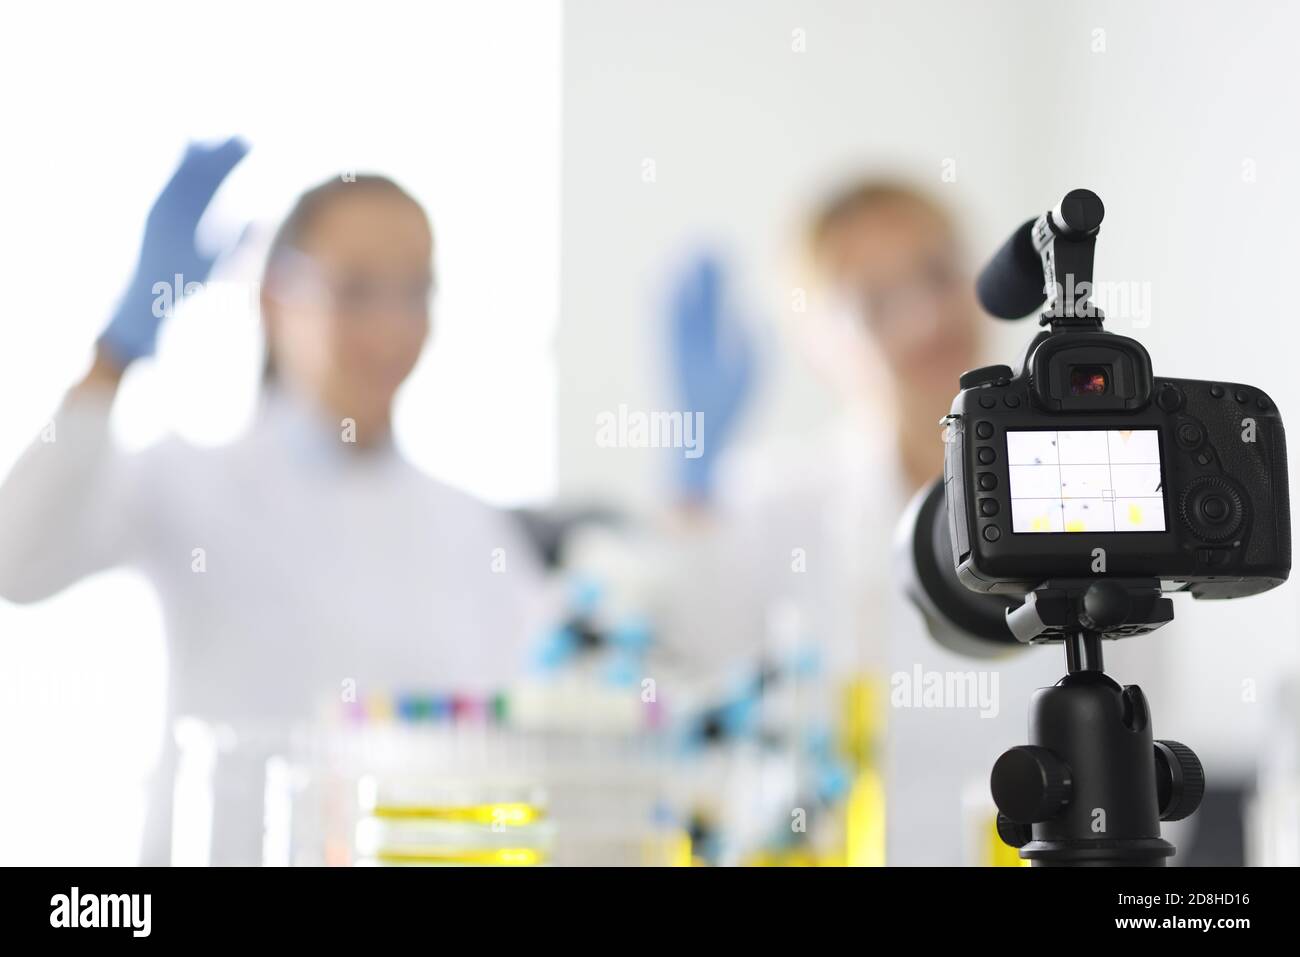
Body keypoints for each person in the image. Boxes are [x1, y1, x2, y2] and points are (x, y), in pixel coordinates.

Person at [0, 140, 547, 864]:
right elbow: (18, 560)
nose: (390, 327)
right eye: (355, 289)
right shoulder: (184, 480)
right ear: (273, 294)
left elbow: (523, 751)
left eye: (413, 290)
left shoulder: (475, 528)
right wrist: (117, 350)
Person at [661, 179, 1071, 864]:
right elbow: (692, 663)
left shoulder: (1071, 491)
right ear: (814, 343)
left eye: (938, 276)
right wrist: (692, 485)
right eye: (873, 302)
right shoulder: (776, 503)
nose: (924, 319)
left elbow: (1138, 742)